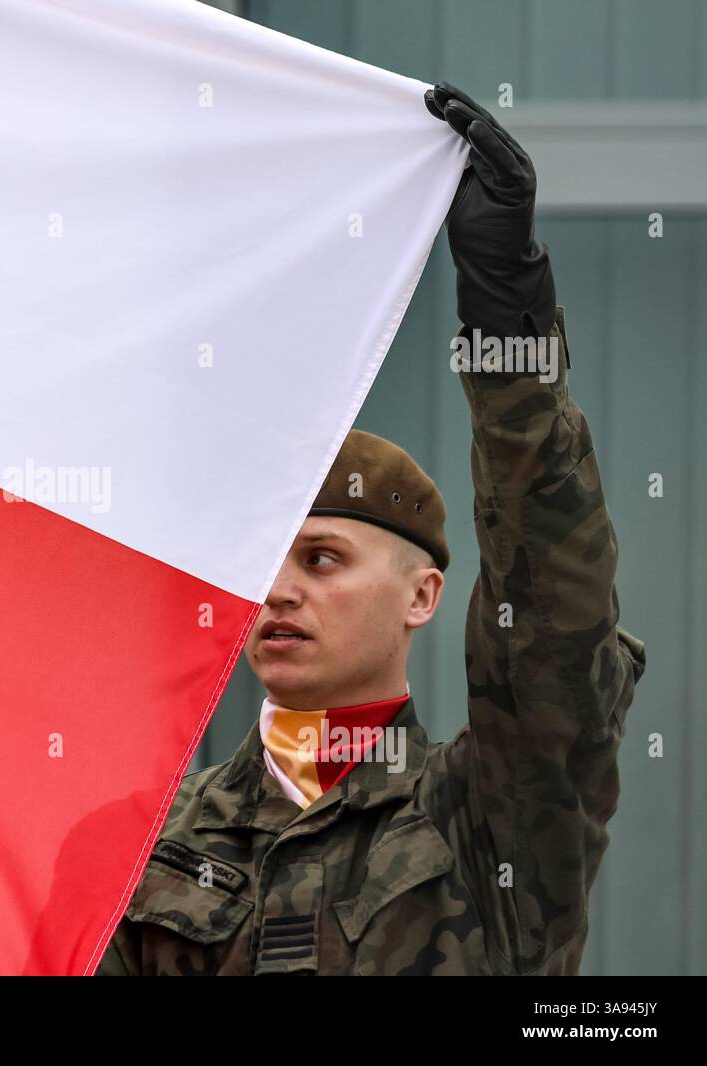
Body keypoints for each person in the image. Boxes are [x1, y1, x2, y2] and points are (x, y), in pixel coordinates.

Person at [96, 83, 647, 976]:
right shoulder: (141, 845)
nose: (274, 591)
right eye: (260, 561)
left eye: (322, 559)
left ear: (422, 593)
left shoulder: (492, 813)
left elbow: (555, 622)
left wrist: (505, 308)